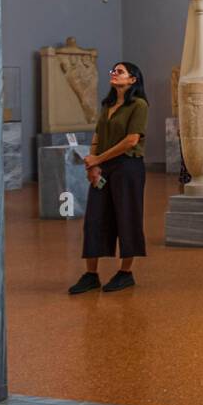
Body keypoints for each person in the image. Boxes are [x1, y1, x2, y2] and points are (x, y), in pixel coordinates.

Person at [68, 62, 150, 293]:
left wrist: (98, 159)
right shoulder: (108, 105)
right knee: (94, 219)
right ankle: (91, 274)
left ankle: (126, 273)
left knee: (127, 217)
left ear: (133, 79)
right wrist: (92, 163)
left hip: (128, 167)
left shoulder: (139, 105)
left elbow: (131, 140)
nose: (114, 73)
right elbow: (98, 135)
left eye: (120, 71)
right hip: (103, 167)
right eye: (113, 70)